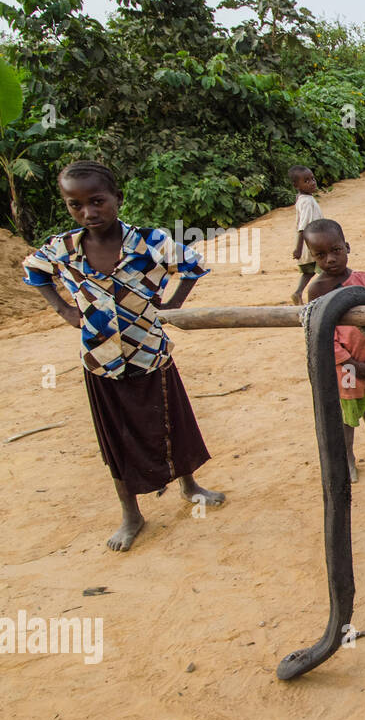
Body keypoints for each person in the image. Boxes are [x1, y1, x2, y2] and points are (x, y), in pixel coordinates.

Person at [22, 160, 225, 551]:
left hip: (151, 355)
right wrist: (65, 311)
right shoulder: (63, 249)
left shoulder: (150, 243)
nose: (88, 213)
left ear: (118, 197)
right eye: (75, 205)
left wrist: (171, 309)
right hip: (100, 362)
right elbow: (34, 272)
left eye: (97, 201)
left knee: (172, 424)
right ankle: (131, 513)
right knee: (115, 440)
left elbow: (194, 266)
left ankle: (189, 485)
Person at [303, 218, 365, 483]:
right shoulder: (316, 290)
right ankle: (348, 458)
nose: (330, 260)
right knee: (349, 415)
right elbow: (322, 335)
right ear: (313, 257)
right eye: (320, 255)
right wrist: (350, 363)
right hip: (345, 367)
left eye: (336, 250)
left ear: (347, 247)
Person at [289, 165, 323, 305]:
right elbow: (303, 226)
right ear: (296, 185)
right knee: (325, 269)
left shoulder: (302, 198)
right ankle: (320, 295)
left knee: (309, 271)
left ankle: (298, 292)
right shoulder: (307, 202)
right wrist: (298, 248)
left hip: (309, 243)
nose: (312, 182)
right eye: (306, 181)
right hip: (312, 241)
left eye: (312, 179)